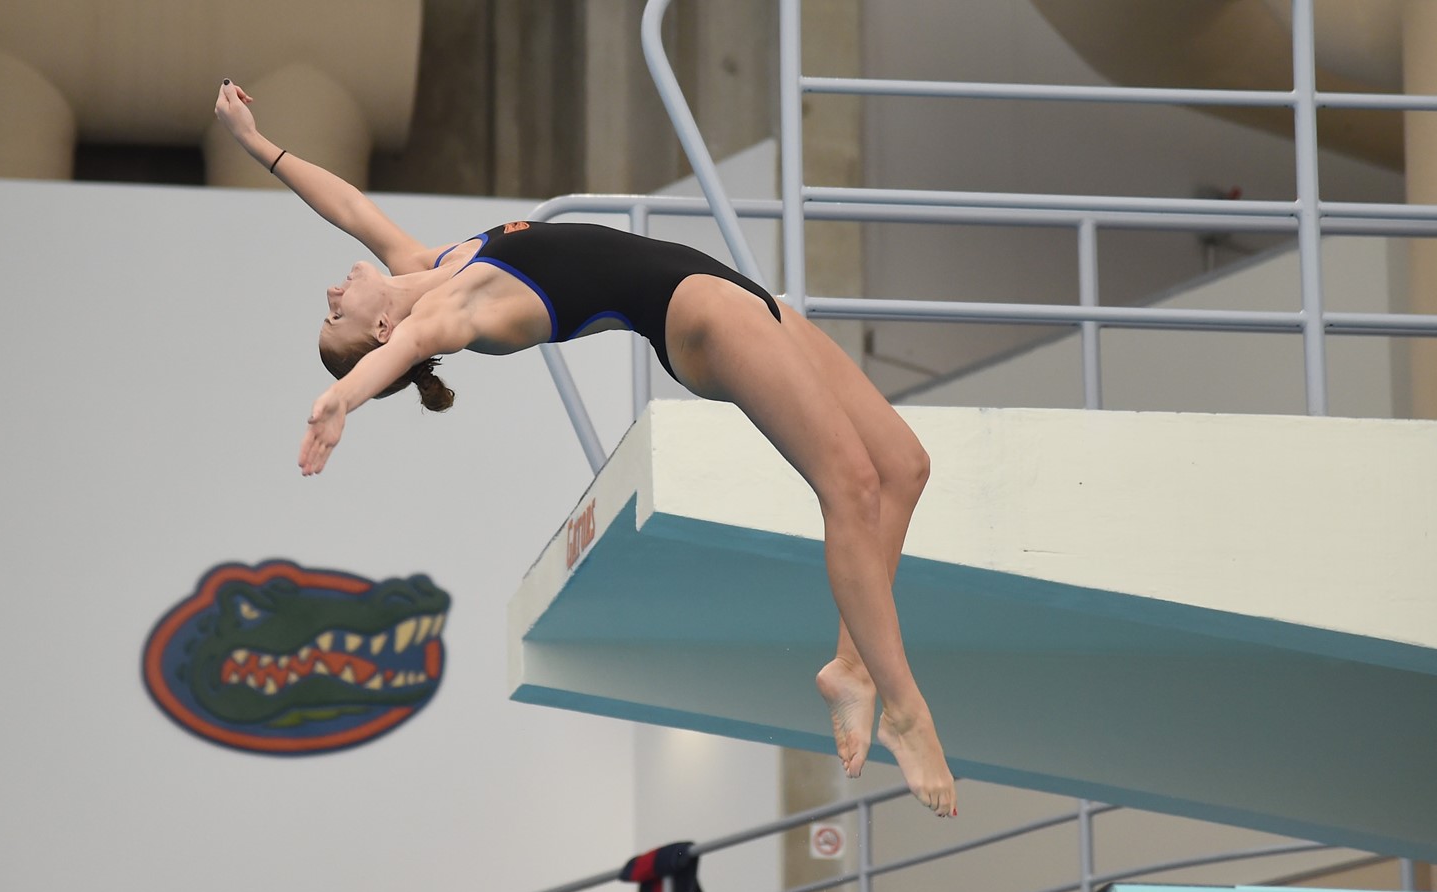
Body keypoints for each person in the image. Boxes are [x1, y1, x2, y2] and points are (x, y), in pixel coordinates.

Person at [213, 80, 957, 817]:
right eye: (334, 318)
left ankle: (853, 667)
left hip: (724, 288)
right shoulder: (444, 315)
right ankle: (907, 710)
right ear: (378, 338)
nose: (331, 296)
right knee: (851, 486)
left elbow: (348, 207)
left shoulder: (428, 264)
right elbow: (401, 349)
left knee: (902, 467)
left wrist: (257, 145)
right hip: (697, 319)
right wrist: (341, 399)